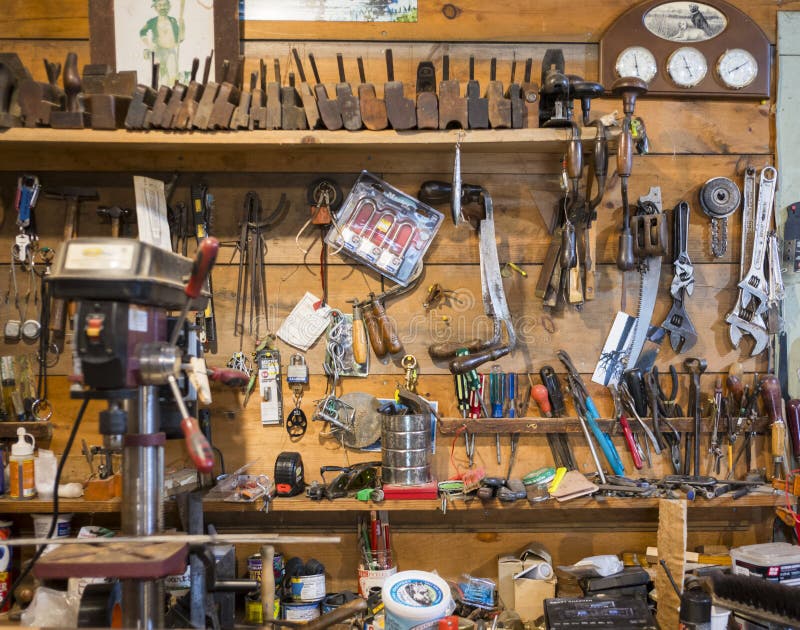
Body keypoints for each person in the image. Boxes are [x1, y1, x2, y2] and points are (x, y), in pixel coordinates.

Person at [140, 0, 185, 85]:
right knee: (160, 77)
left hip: (171, 52)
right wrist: (149, 45)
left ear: (169, 7)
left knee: (173, 75)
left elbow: (181, 38)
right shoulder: (152, 21)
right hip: (158, 53)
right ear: (155, 8)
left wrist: (183, 26)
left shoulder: (173, 21)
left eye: (165, 5)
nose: (163, 7)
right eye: (160, 5)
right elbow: (142, 32)